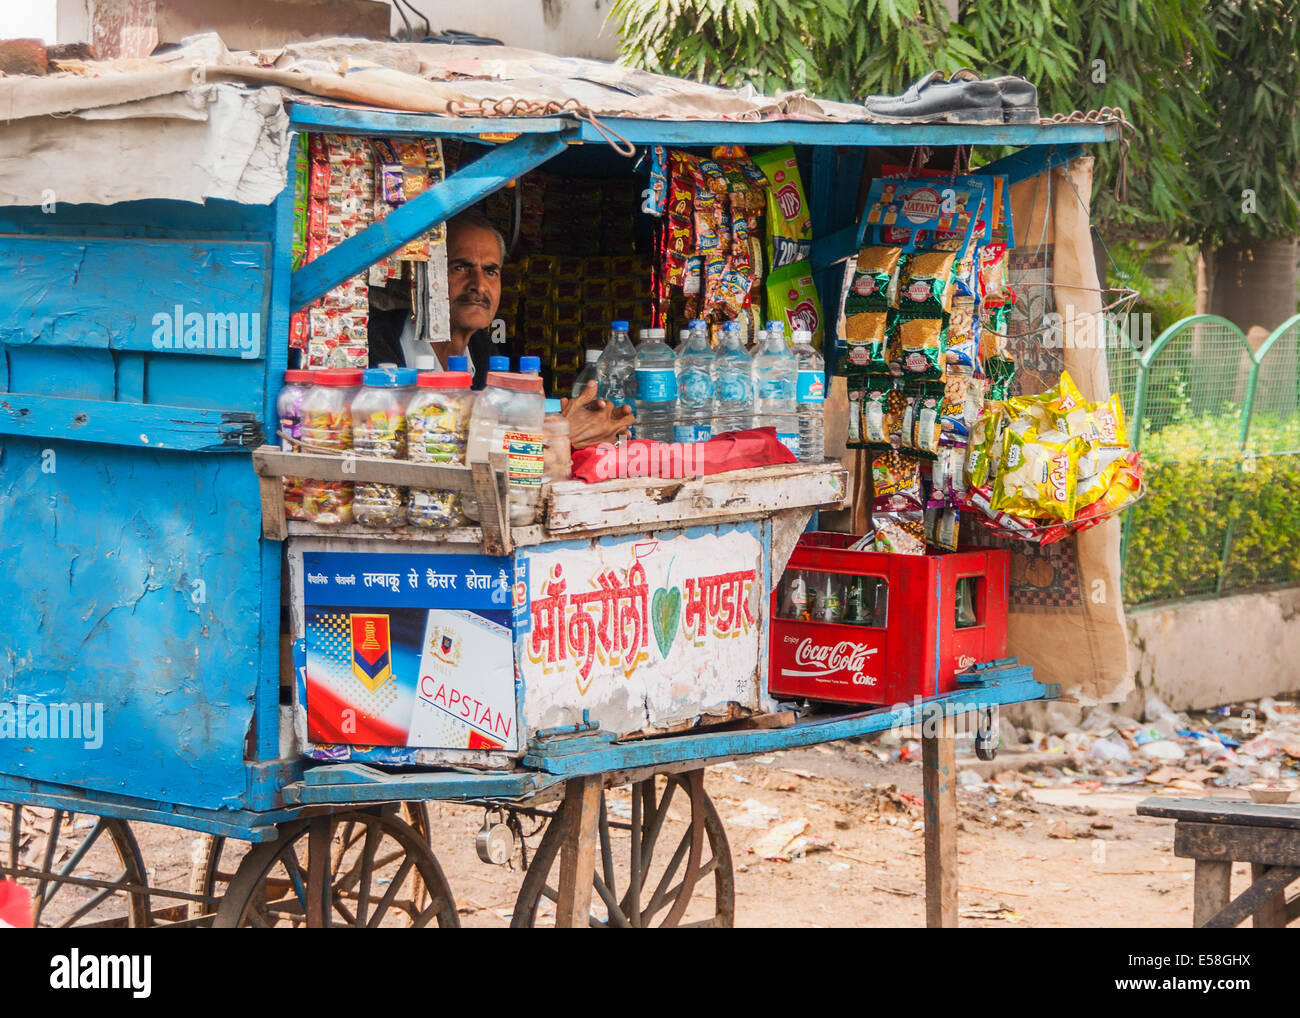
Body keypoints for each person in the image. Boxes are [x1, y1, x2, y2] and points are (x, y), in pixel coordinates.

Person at [443, 211, 634, 448]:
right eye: (460, 267)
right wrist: (558, 435)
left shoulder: (482, 349)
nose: (479, 286)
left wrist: (576, 427)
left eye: (491, 271)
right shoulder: (387, 348)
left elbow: (502, 436)